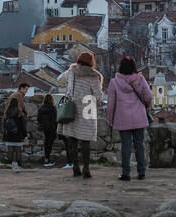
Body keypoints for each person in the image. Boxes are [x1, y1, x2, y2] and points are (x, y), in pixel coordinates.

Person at [56, 51, 104, 179]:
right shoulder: (93, 76)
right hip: (87, 109)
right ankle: (86, 169)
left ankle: (75, 168)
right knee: (85, 141)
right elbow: (99, 96)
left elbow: (59, 79)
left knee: (72, 140)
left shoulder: (71, 71)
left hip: (71, 109)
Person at [106, 56, 152, 181]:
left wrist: (110, 119)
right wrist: (144, 105)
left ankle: (126, 173)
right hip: (139, 117)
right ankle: (141, 172)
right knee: (139, 145)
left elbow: (110, 104)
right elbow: (149, 96)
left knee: (125, 146)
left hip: (122, 118)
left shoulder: (114, 82)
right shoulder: (140, 79)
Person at [2, 84, 30, 169]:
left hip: (9, 132)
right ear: (21, 88)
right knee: (18, 150)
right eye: (25, 89)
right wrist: (25, 113)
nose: (26, 91)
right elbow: (22, 106)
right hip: (17, 132)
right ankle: (19, 164)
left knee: (10, 149)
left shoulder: (7, 113)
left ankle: (10, 164)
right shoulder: (19, 95)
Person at [36, 93, 58, 167]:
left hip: (45, 128)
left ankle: (46, 158)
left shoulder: (41, 108)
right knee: (50, 143)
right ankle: (47, 159)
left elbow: (38, 119)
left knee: (46, 142)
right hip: (52, 128)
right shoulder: (53, 108)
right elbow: (55, 119)